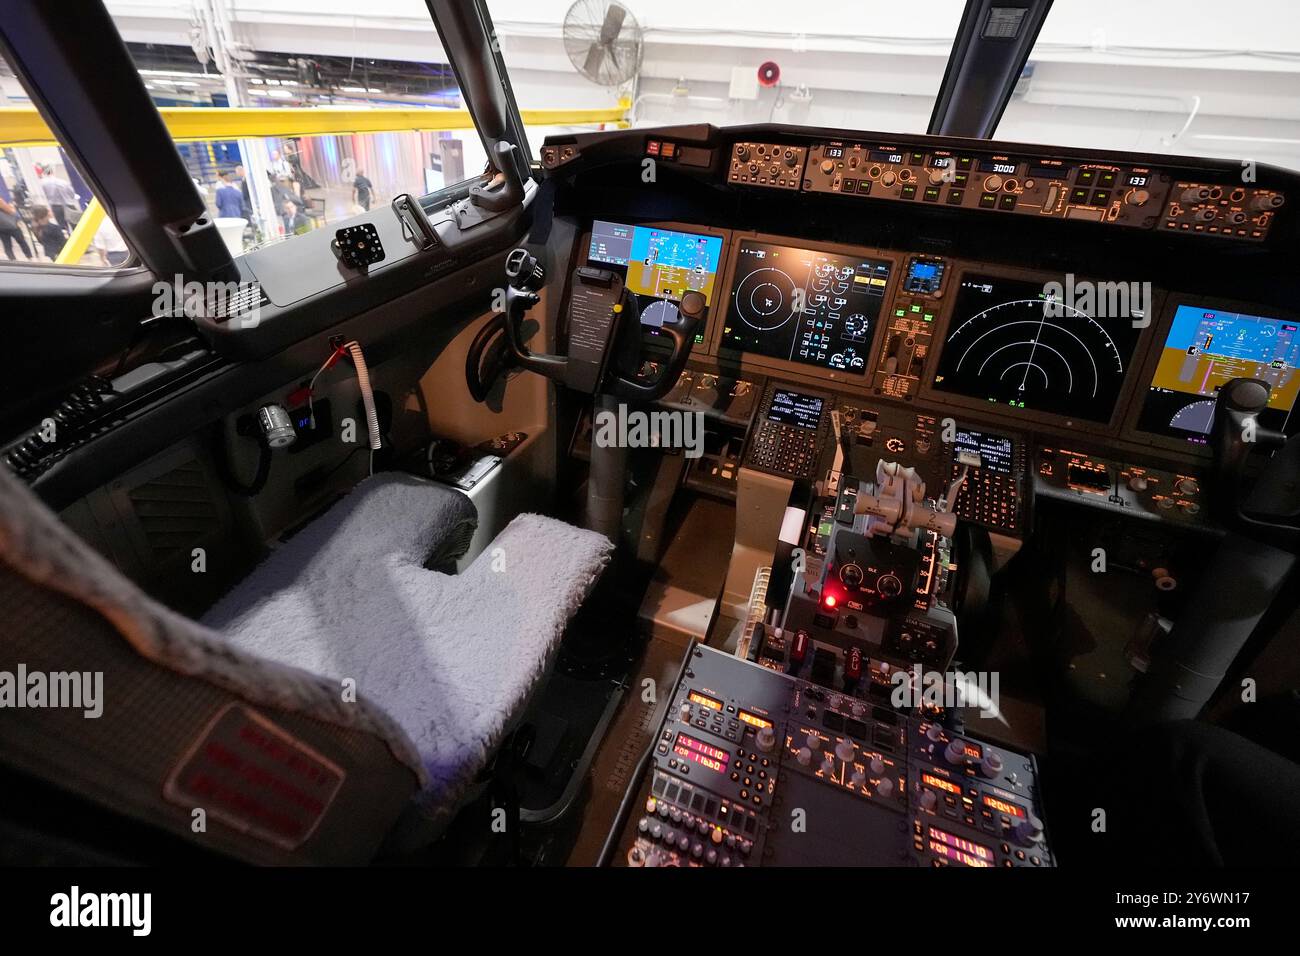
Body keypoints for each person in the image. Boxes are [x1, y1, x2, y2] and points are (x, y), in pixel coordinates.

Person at [36, 166, 79, 232]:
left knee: (63, 228)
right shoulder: (63, 182)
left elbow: (42, 196)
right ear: (52, 171)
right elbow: (72, 194)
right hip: (69, 206)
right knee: (76, 226)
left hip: (56, 208)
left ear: (44, 172)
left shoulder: (43, 184)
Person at [0, 196, 33, 261]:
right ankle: (29, 257)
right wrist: (11, 206)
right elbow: (11, 211)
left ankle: (12, 259)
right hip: (12, 226)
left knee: (7, 244)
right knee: (21, 241)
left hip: (1, 228)